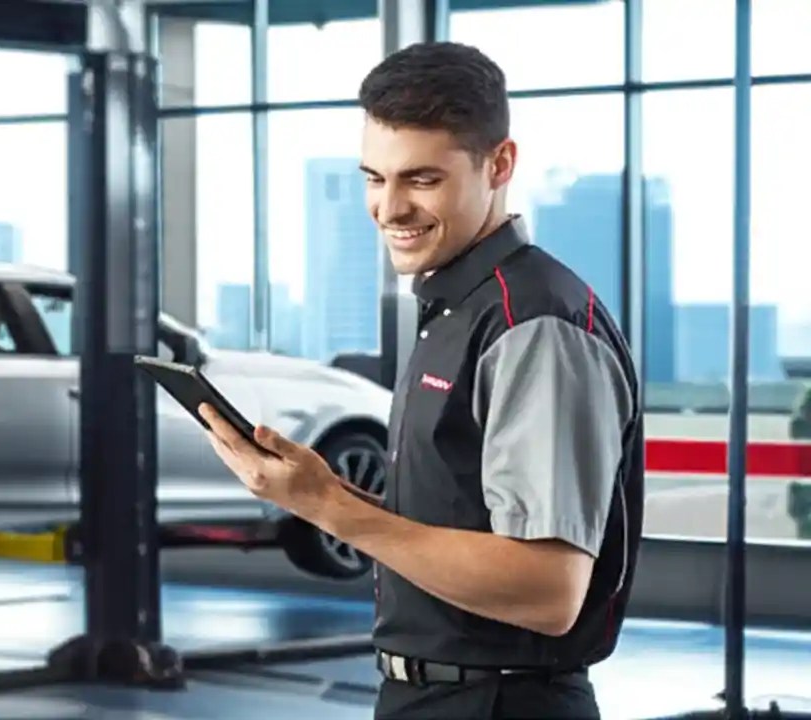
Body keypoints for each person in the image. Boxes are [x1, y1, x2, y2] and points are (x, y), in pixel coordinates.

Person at [200, 41, 644, 719]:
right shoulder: (455, 310)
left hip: (499, 704)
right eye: (374, 178)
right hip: (431, 696)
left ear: (500, 164)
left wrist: (329, 509)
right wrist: (320, 489)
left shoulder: (533, 324)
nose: (388, 207)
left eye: (422, 180)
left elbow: (547, 591)